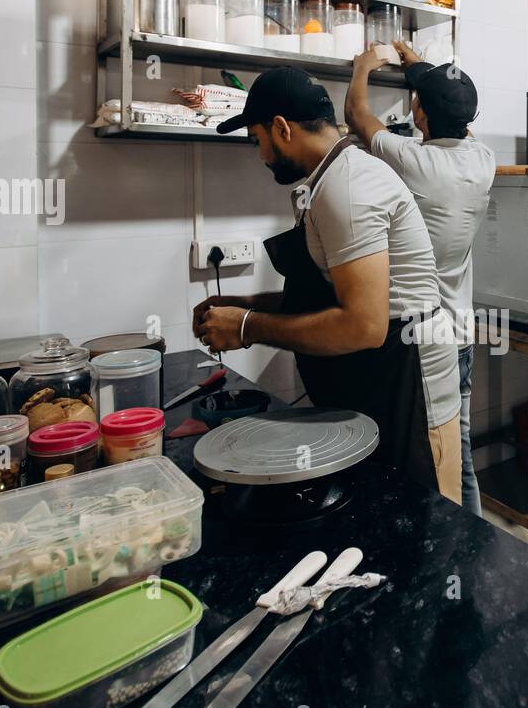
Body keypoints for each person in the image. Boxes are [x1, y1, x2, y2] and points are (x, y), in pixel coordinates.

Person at [192, 67, 462, 503]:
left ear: (281, 128)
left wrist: (249, 326)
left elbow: (363, 325)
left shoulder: (349, 188)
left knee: (426, 523)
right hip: (379, 371)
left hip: (407, 379)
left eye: (257, 139)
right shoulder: (329, 180)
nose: (260, 155)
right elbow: (327, 296)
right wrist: (241, 305)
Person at [343, 40, 495, 517]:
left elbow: (356, 117)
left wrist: (363, 68)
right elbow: (449, 115)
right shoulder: (482, 159)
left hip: (423, 338)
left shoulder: (411, 158)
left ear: (419, 113)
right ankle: (471, 549)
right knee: (459, 450)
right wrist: (418, 70)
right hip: (462, 332)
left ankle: (447, 547)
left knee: (429, 459)